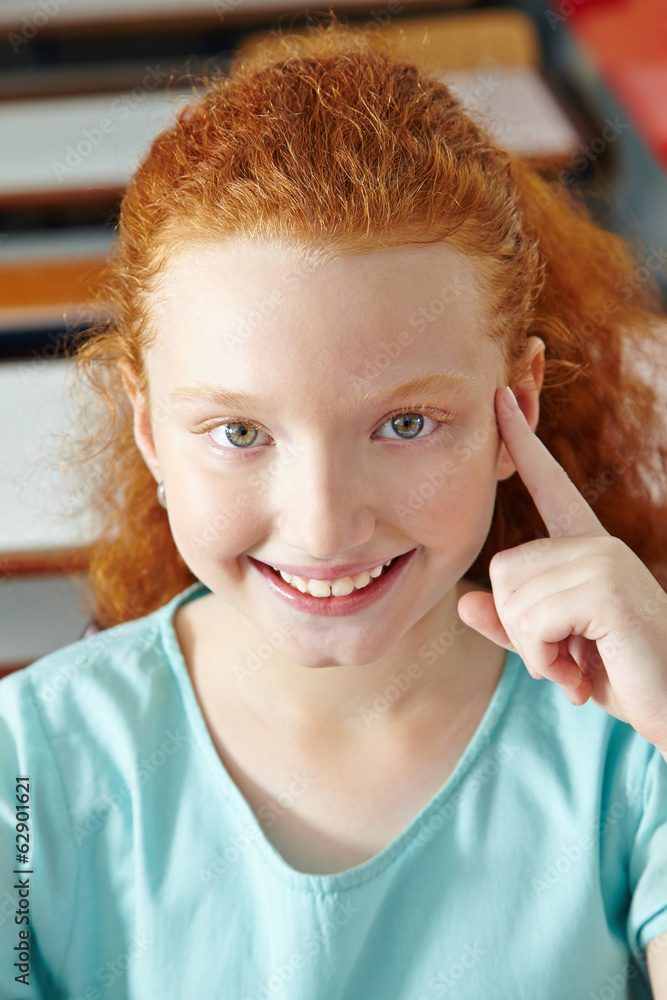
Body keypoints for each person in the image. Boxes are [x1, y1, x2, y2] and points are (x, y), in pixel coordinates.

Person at [2, 15, 667, 999]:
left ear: (512, 409)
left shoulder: (631, 749)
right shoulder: (30, 769)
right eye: (238, 433)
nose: (321, 525)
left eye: (405, 424)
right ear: (146, 426)